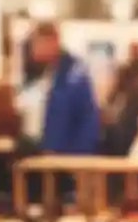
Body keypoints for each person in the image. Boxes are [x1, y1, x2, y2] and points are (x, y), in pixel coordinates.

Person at [31, 22, 101, 155]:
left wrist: (75, 159)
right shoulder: (51, 74)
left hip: (69, 160)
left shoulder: (74, 75)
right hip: (53, 158)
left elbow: (85, 120)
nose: (34, 49)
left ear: (53, 41)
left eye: (38, 43)